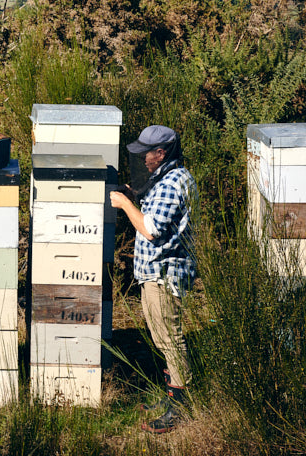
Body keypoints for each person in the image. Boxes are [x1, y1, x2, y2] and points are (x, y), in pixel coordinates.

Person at [110, 124, 196, 434]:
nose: (143, 159)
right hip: (155, 273)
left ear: (160, 153)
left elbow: (151, 229)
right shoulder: (166, 177)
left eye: (147, 153)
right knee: (162, 338)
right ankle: (172, 396)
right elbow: (153, 208)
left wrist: (125, 205)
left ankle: (181, 409)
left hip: (165, 274)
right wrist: (133, 195)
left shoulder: (173, 183)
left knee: (171, 340)